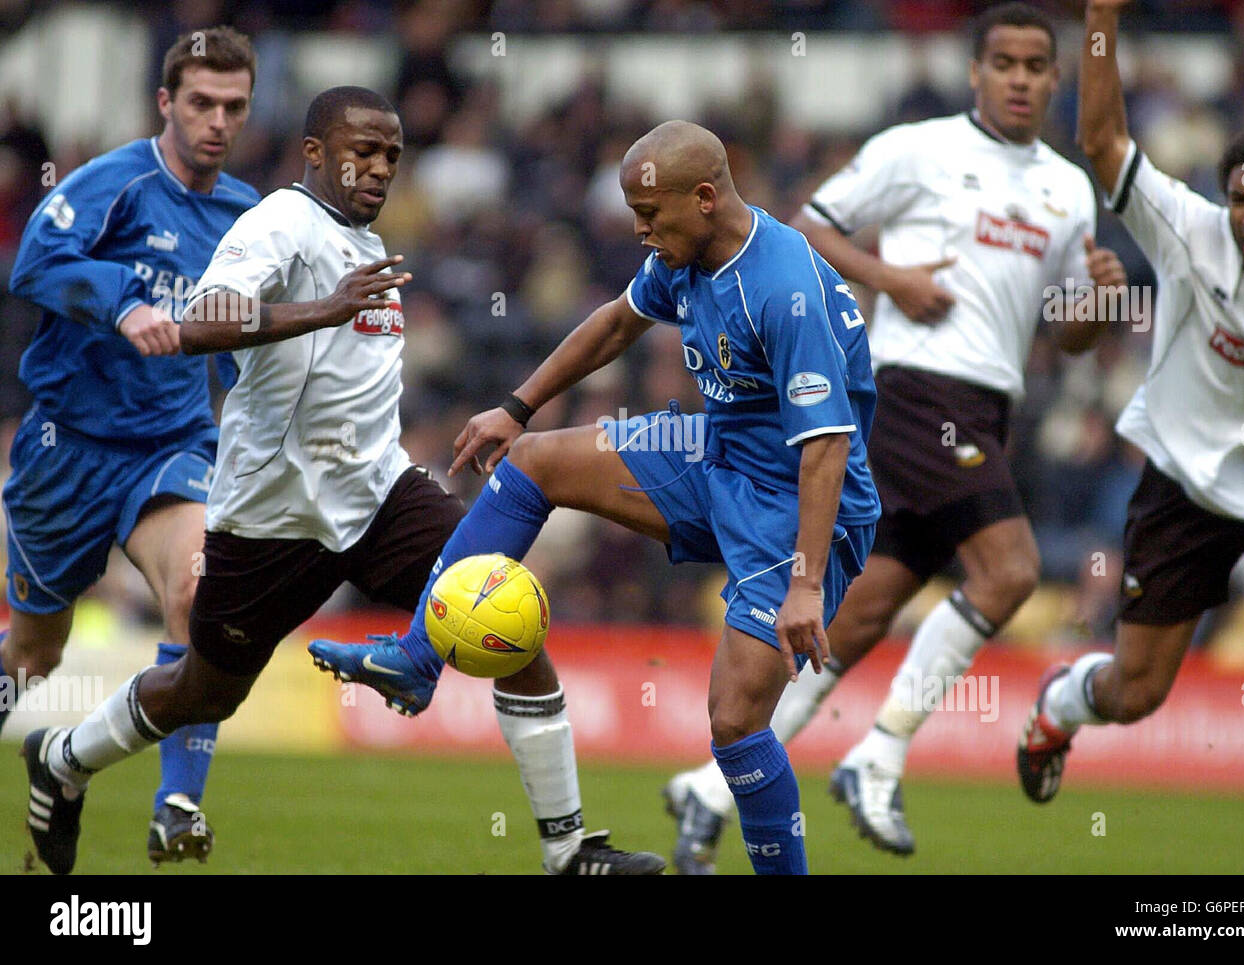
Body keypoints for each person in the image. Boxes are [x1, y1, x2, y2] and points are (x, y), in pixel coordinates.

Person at [21, 86, 663, 877]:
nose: (378, 167)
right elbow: (200, 324)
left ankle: (568, 850)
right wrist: (323, 310)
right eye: (361, 150)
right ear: (315, 152)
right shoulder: (278, 225)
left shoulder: (366, 243)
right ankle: (64, 757)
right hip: (272, 518)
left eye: (391, 154)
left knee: (509, 617)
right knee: (203, 691)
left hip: (379, 495)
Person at [309, 118, 880, 876]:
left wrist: (805, 583)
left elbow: (826, 447)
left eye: (651, 217)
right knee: (537, 459)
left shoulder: (783, 288)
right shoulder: (688, 255)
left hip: (800, 502)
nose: (640, 232)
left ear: (705, 197)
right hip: (715, 456)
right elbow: (616, 323)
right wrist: (517, 406)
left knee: (735, 720)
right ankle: (417, 655)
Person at [663, 1, 1127, 871]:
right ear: (976, 72)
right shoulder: (921, 149)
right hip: (914, 389)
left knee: (862, 614)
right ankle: (878, 755)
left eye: (1037, 66)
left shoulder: (1068, 188)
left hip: (989, 408)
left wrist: (1095, 303)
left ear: (1055, 80)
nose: (1022, 79)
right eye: (1006, 63)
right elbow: (807, 226)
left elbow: (1068, 334)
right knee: (1013, 568)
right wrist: (893, 281)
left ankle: (709, 786)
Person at [1018, 0, 1244, 876]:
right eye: (1240, 197)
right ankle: (1065, 701)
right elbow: (1102, 141)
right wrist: (1102, 16)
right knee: (1136, 692)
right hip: (1180, 486)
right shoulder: (1191, 232)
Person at [4, 27, 259, 866]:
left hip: (173, 442)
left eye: (233, 106)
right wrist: (121, 302)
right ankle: (55, 769)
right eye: (200, 103)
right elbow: (34, 261)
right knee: (36, 653)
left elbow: (250, 331)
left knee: (198, 590)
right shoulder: (112, 183)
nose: (217, 121)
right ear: (165, 103)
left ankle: (177, 803)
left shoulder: (248, 214)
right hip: (68, 448)